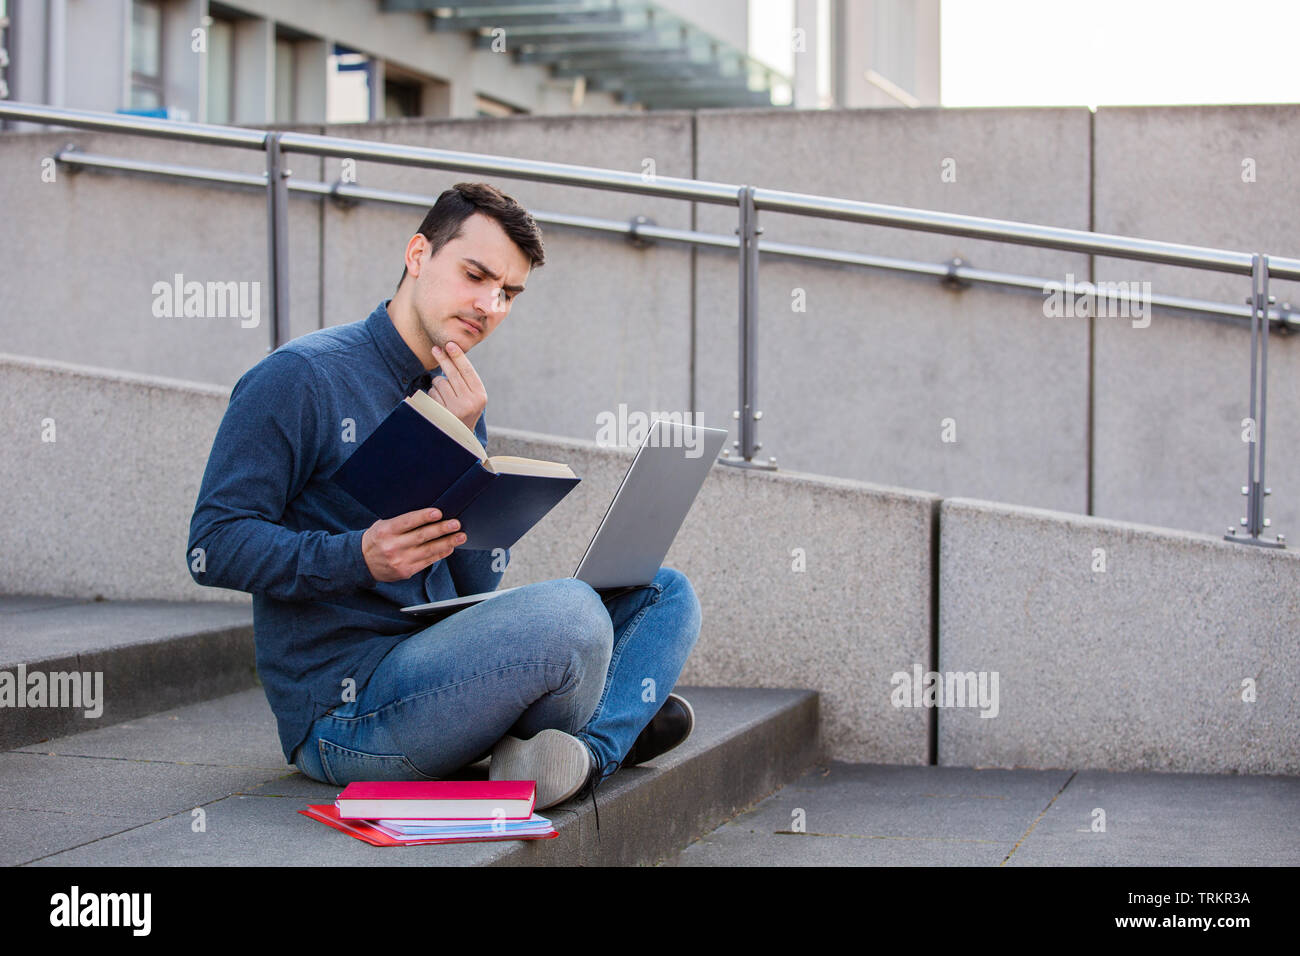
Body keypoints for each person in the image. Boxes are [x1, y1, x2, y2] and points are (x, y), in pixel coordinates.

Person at [186, 182, 701, 812]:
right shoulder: (300, 377)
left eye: (508, 293)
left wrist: (482, 489)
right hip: (348, 715)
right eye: (476, 274)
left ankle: (582, 754)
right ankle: (597, 731)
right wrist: (359, 557)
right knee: (570, 615)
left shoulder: (456, 392)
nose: (489, 303)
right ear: (418, 254)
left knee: (665, 592)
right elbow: (213, 545)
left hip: (435, 665)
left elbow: (464, 583)